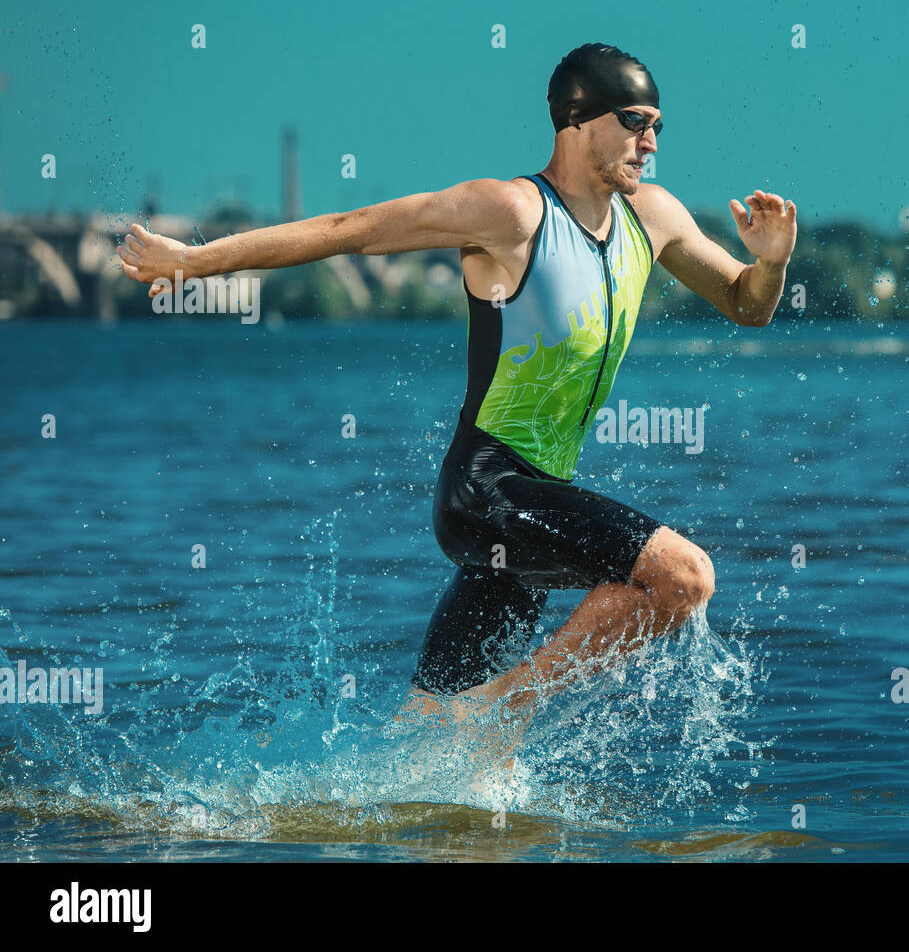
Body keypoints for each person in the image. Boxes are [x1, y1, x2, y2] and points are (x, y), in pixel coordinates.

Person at [117, 42, 797, 731]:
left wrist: (770, 263)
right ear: (576, 119)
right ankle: (504, 705)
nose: (650, 140)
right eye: (633, 120)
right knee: (682, 578)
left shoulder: (651, 218)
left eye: (657, 124)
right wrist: (196, 261)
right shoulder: (509, 213)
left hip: (536, 508)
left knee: (435, 758)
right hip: (487, 491)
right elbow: (346, 230)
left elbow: (748, 304)